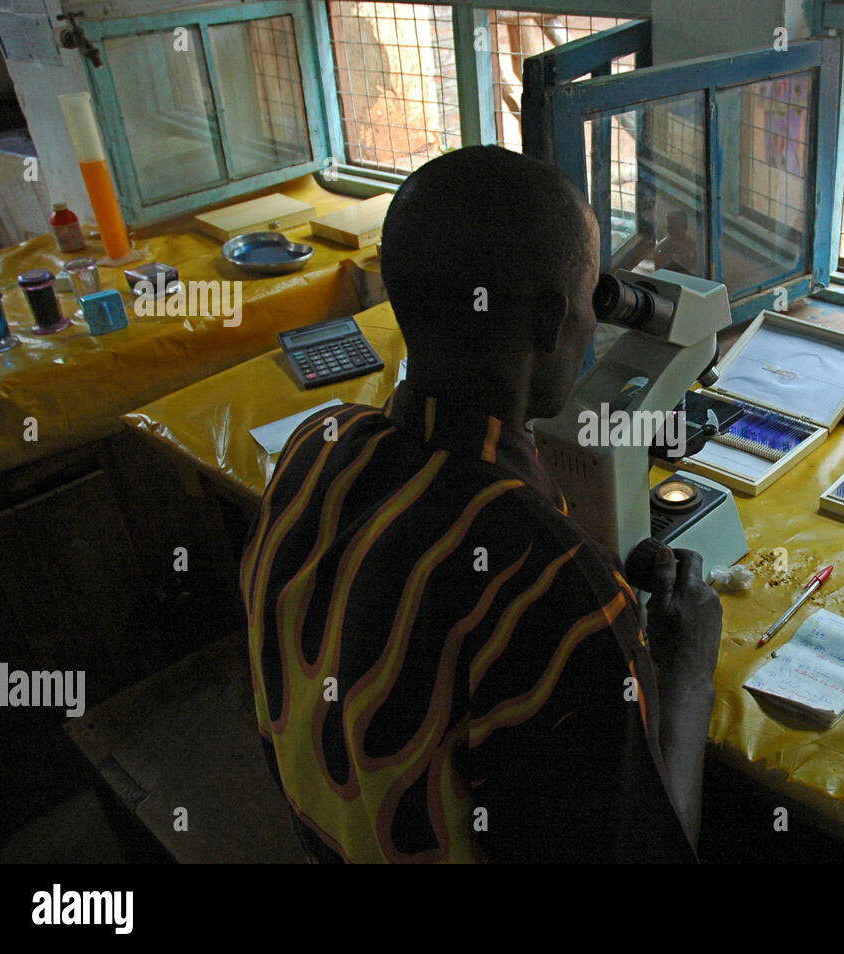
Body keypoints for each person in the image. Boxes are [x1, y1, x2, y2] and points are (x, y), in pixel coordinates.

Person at [241, 146, 722, 863]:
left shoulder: (314, 449)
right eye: (592, 298)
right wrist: (686, 675)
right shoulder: (559, 598)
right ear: (551, 321)